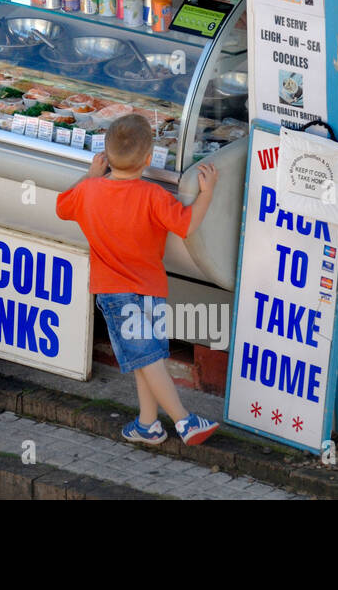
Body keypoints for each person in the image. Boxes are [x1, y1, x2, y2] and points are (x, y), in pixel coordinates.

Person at [56, 113, 220, 445]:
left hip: (115, 293)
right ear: (149, 160)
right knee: (150, 358)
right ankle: (183, 421)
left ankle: (149, 425)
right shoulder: (153, 196)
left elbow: (62, 208)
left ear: (106, 155)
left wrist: (89, 175)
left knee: (147, 360)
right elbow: (186, 226)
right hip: (151, 289)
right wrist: (207, 193)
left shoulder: (88, 191)